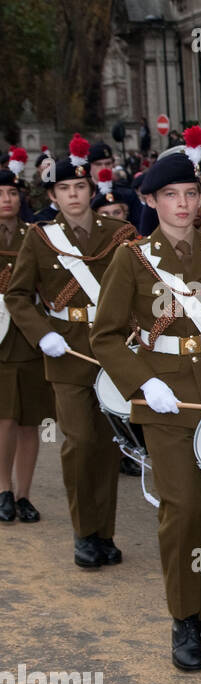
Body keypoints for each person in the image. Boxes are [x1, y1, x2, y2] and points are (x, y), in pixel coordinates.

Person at [91, 146, 201, 670]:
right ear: (151, 201)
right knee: (181, 508)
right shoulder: (134, 258)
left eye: (191, 194)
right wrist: (143, 383)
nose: (183, 204)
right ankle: (183, 617)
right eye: (171, 196)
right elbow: (107, 336)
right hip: (165, 400)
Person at [6, 135, 136, 568]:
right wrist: (42, 333)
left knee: (107, 445)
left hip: (112, 351)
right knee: (79, 443)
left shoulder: (119, 234)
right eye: (64, 189)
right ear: (53, 195)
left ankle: (105, 532)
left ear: (90, 191)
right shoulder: (41, 238)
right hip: (66, 355)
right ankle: (84, 532)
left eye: (80, 188)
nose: (74, 195)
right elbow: (18, 295)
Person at [0, 168, 48, 524]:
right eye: (1, 193)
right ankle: (3, 489)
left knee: (30, 420)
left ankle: (24, 494)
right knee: (4, 419)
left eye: (13, 193)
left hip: (29, 335)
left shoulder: (34, 236)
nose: (7, 199)